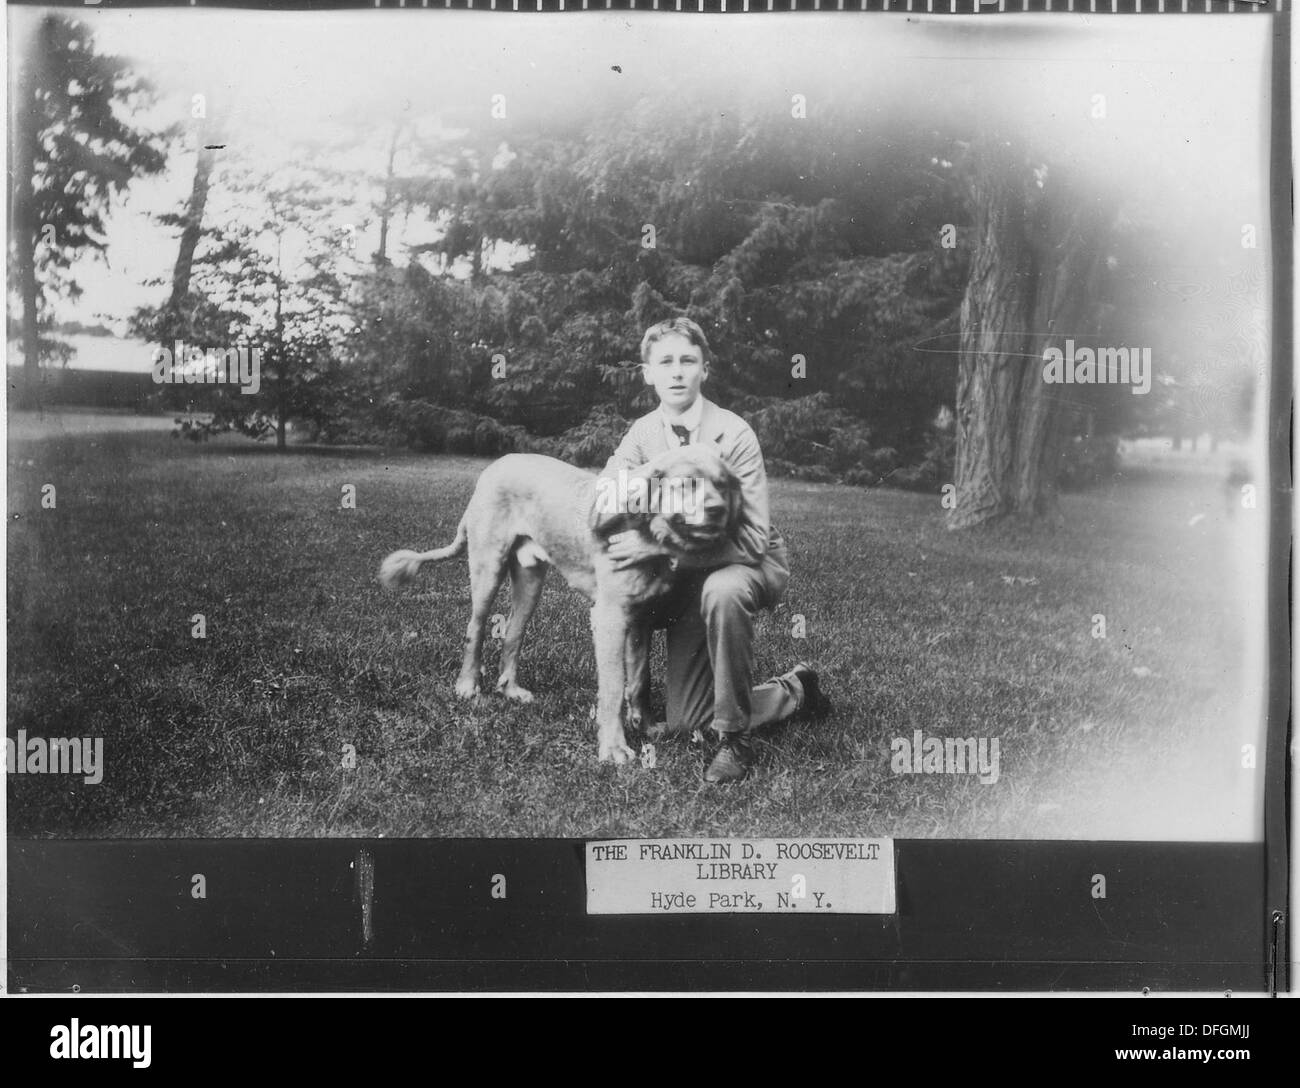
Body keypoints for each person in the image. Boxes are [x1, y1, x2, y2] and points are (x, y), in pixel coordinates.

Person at [602, 317, 830, 783]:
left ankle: (735, 743)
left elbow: (749, 539)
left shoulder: (735, 434)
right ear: (647, 373)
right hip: (684, 573)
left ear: (705, 369)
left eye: (689, 361)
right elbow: (606, 492)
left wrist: (655, 546)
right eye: (665, 362)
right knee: (688, 722)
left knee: (723, 591)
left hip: (747, 562)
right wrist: (640, 481)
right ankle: (796, 690)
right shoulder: (642, 434)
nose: (677, 372)